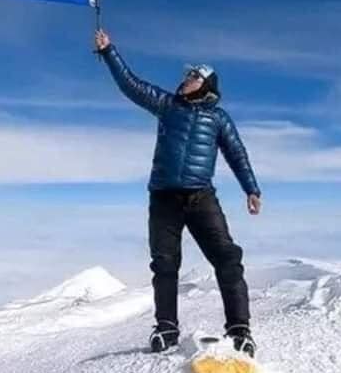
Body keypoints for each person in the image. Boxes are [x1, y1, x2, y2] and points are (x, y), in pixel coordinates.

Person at [94, 28, 262, 356]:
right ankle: (166, 328)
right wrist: (108, 51)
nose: (185, 79)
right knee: (165, 265)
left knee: (228, 259)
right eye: (187, 75)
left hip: (202, 198)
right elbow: (131, 85)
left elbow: (236, 153)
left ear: (207, 84)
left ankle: (240, 330)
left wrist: (251, 189)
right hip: (163, 199)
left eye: (193, 76)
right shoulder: (168, 105)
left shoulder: (218, 119)